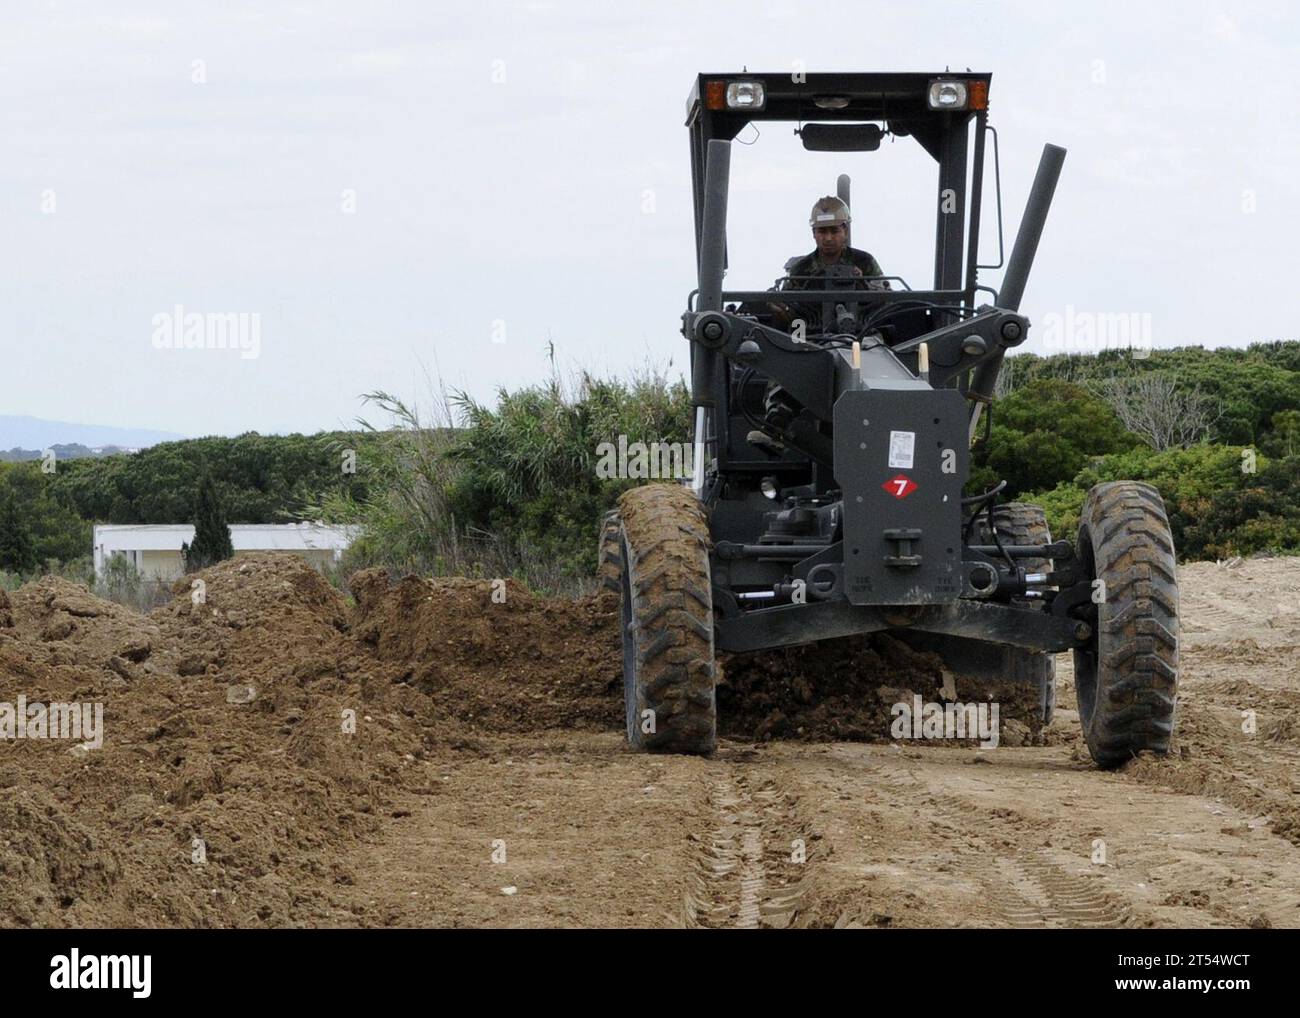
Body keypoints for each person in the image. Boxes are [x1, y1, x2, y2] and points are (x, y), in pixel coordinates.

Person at [768, 196, 889, 331]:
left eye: (834, 231)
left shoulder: (864, 261)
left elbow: (886, 301)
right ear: (814, 233)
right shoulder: (800, 269)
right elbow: (789, 313)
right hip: (811, 339)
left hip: (864, 337)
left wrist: (862, 284)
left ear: (846, 231)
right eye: (822, 231)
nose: (828, 238)